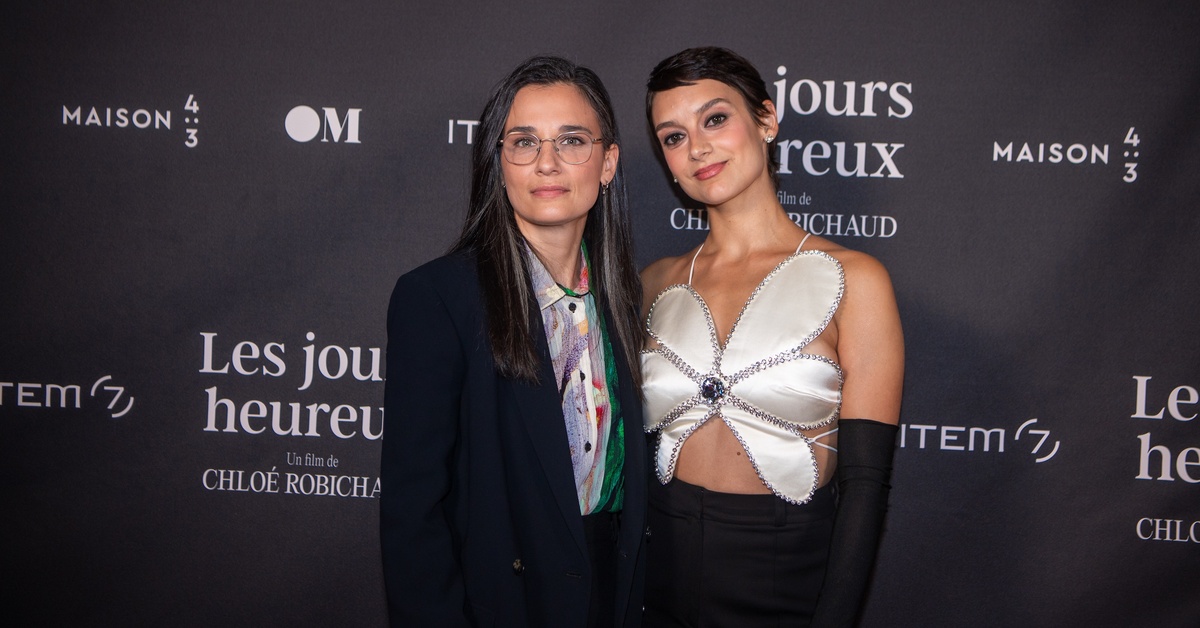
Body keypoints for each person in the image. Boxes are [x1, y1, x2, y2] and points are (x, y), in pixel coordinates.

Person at [639, 47, 904, 627]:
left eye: (715, 119)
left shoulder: (857, 280)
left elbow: (864, 484)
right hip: (655, 578)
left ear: (766, 120)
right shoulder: (653, 281)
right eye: (673, 137)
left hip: (786, 582)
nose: (698, 148)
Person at [380, 56, 647, 627]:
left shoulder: (628, 302)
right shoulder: (438, 298)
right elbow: (413, 512)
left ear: (608, 163)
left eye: (572, 140)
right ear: (498, 164)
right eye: (524, 142)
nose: (547, 162)